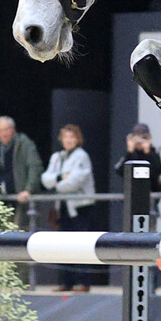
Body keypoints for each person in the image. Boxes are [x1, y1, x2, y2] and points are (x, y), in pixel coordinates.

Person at [41, 123, 98, 291]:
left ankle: (84, 283)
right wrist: (60, 177)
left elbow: (74, 182)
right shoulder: (57, 157)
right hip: (63, 207)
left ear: (78, 139)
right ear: (61, 139)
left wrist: (56, 182)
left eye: (72, 137)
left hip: (81, 207)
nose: (68, 140)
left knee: (82, 244)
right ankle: (67, 282)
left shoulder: (82, 156)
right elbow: (45, 179)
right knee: (63, 244)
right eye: (66, 137)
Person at [0, 116, 43, 225]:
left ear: (13, 129)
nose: (4, 133)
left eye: (6, 129)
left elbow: (35, 167)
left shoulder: (25, 144)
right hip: (2, 201)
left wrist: (28, 190)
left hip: (22, 201)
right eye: (0, 130)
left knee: (20, 233)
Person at [116, 122, 161, 193]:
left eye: (143, 135)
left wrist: (147, 152)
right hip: (131, 193)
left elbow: (158, 170)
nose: (139, 138)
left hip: (150, 193)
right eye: (137, 134)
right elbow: (119, 170)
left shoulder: (153, 152)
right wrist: (130, 151)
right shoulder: (129, 153)